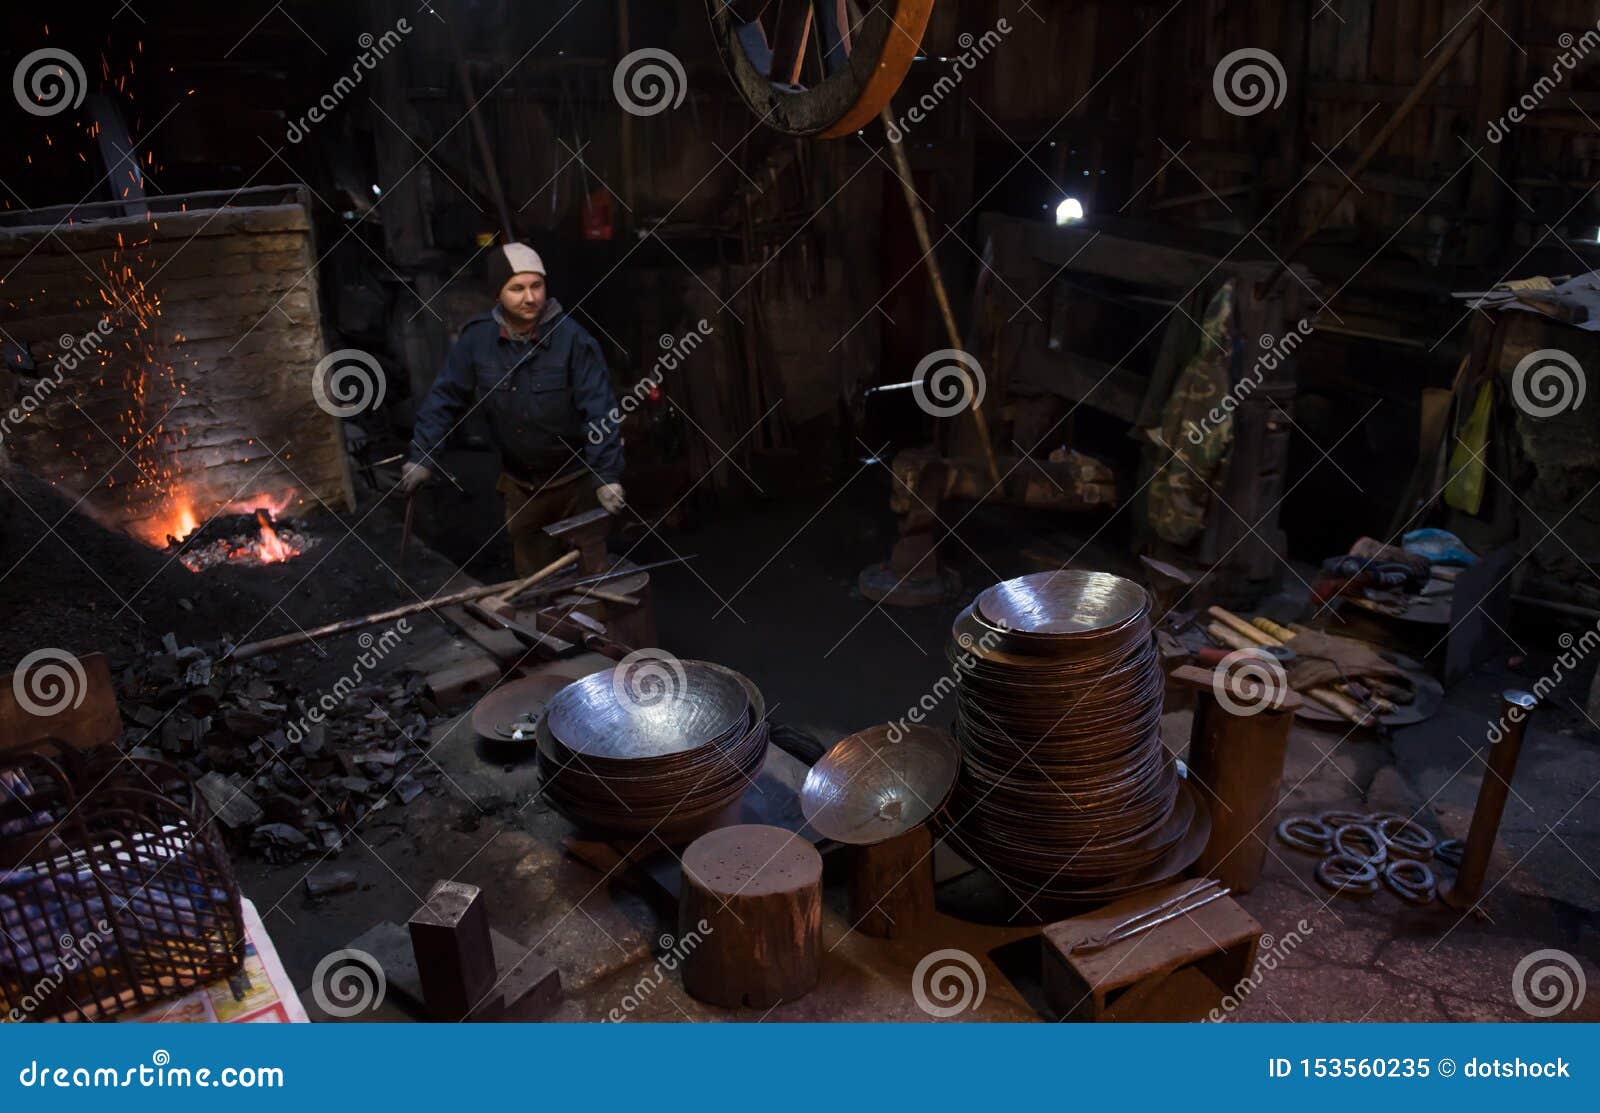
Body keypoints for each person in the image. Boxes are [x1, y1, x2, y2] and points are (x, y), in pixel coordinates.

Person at [400, 243, 625, 575]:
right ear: (497, 293)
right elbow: (445, 399)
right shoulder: (477, 342)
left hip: (575, 484)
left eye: (536, 286)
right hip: (522, 489)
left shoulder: (573, 340)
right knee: (536, 581)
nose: (530, 297)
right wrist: (422, 455)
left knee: (590, 577)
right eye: (517, 288)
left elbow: (601, 410)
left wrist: (607, 476)